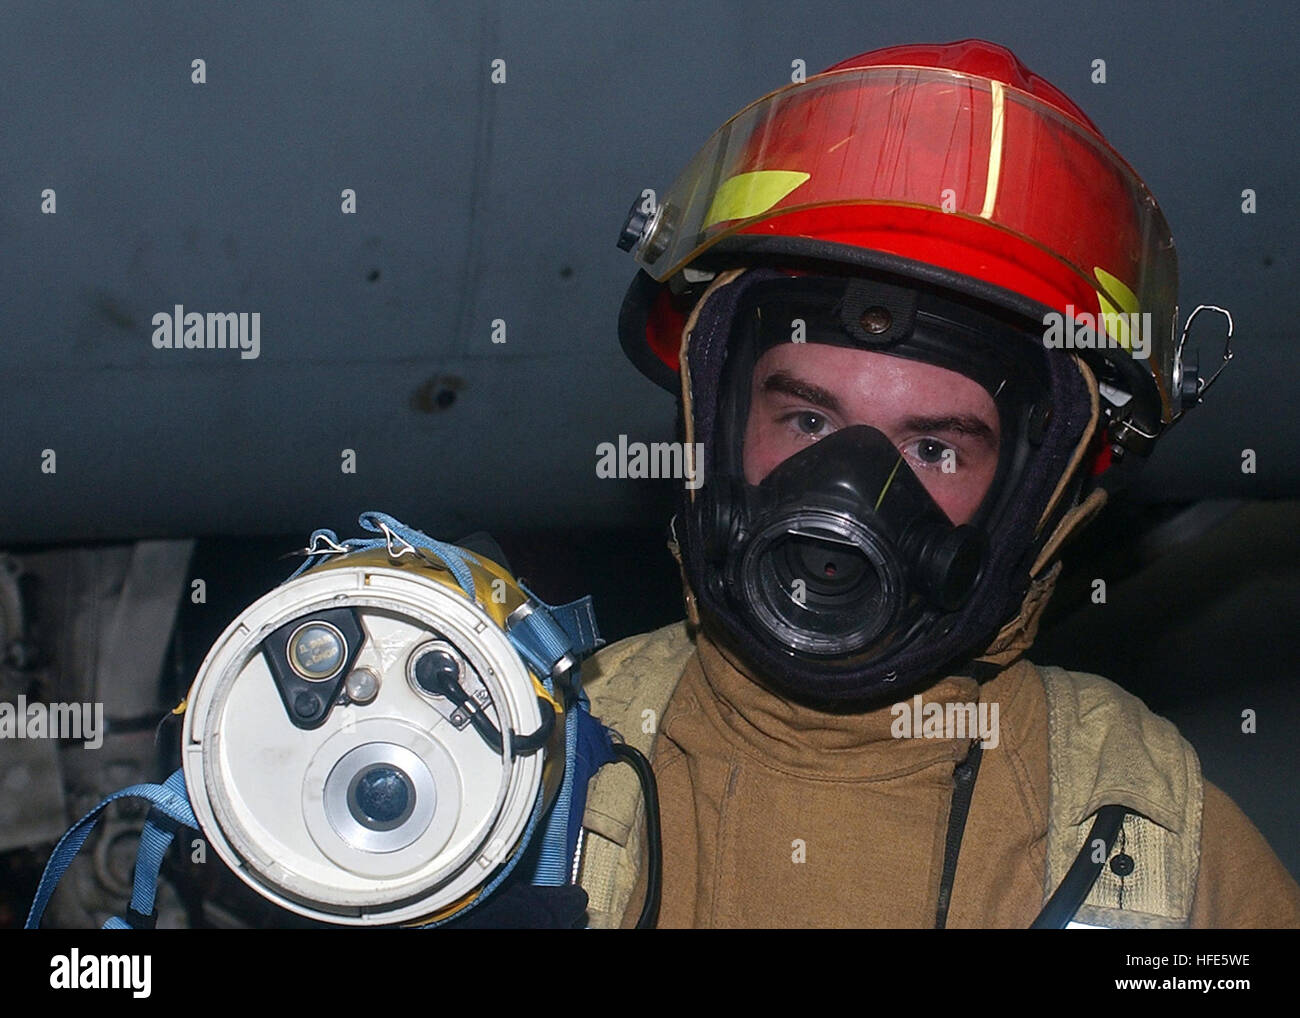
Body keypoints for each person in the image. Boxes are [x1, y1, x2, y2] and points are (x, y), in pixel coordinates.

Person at [572, 39, 1300, 928]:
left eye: (934, 452)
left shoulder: (1164, 854)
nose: (847, 495)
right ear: (715, 422)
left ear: (1032, 497)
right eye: (808, 422)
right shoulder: (523, 758)